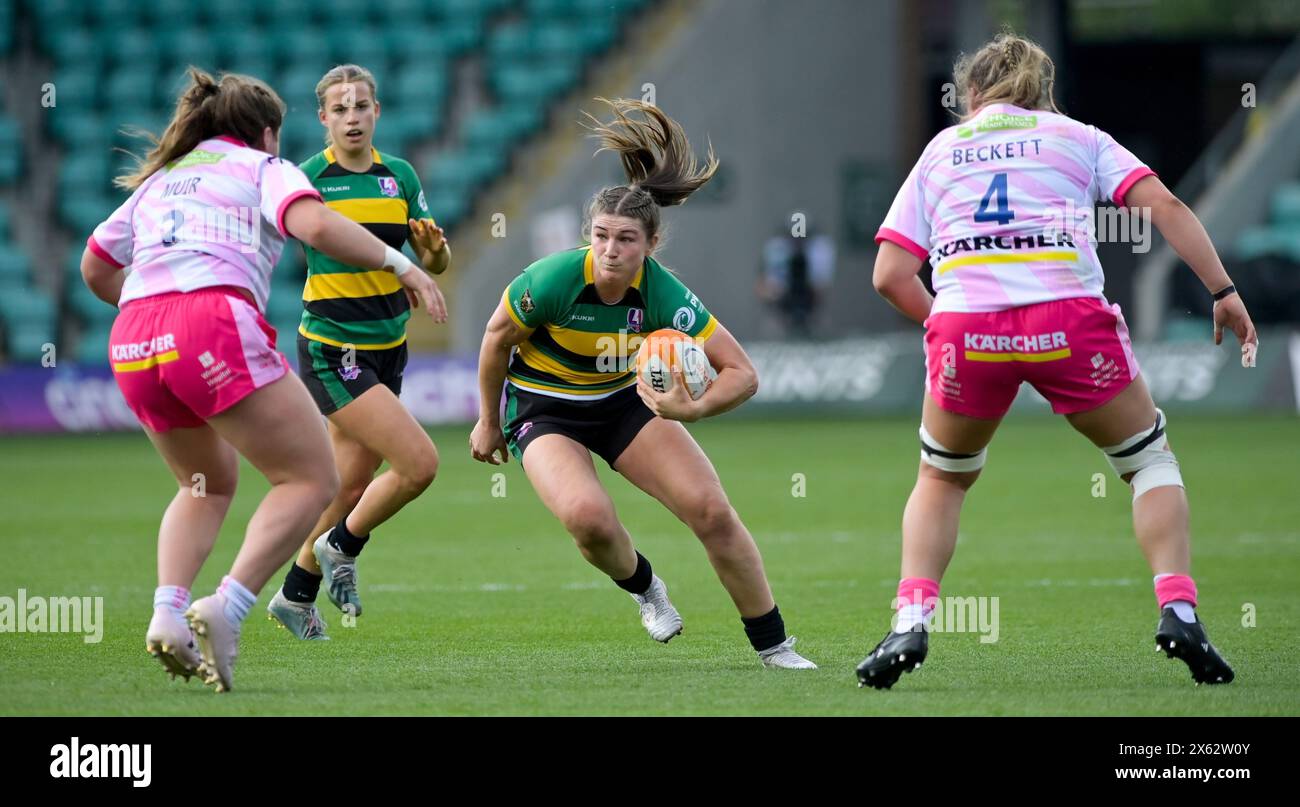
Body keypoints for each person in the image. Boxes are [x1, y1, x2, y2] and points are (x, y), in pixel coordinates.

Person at [857, 33, 1257, 689]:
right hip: (1068, 319)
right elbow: (1166, 206)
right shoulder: (1080, 137)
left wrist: (955, 325)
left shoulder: (941, 150)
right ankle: (1179, 608)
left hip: (966, 327)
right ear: (1044, 91)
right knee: (1147, 459)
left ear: (973, 93)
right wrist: (1223, 290)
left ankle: (909, 619)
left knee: (944, 477)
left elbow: (889, 275)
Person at [80, 68, 445, 692]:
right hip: (210, 321)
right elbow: (317, 227)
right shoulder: (263, 167)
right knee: (311, 478)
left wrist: (153, 310)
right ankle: (229, 607)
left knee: (203, 485)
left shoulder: (160, 180)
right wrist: (399, 264)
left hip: (136, 337)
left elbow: (95, 265)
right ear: (268, 131)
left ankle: (168, 612)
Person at [469, 99, 816, 669]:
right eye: (602, 236)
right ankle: (645, 586)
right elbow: (496, 338)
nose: (610, 249)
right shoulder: (553, 279)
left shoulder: (664, 296)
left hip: (627, 405)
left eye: (626, 239)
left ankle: (775, 646)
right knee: (588, 519)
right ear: (589, 236)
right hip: (543, 408)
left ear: (650, 246)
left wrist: (691, 409)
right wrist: (487, 421)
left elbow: (743, 375)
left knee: (711, 510)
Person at [267, 64, 451, 640]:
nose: (352, 117)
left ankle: (295, 596)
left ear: (377, 113)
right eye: (340, 108)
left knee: (348, 485)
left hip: (388, 347)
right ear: (323, 118)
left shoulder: (400, 176)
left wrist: (434, 253)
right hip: (333, 347)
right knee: (419, 464)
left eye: (362, 106)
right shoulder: (308, 179)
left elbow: (432, 263)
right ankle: (343, 547)